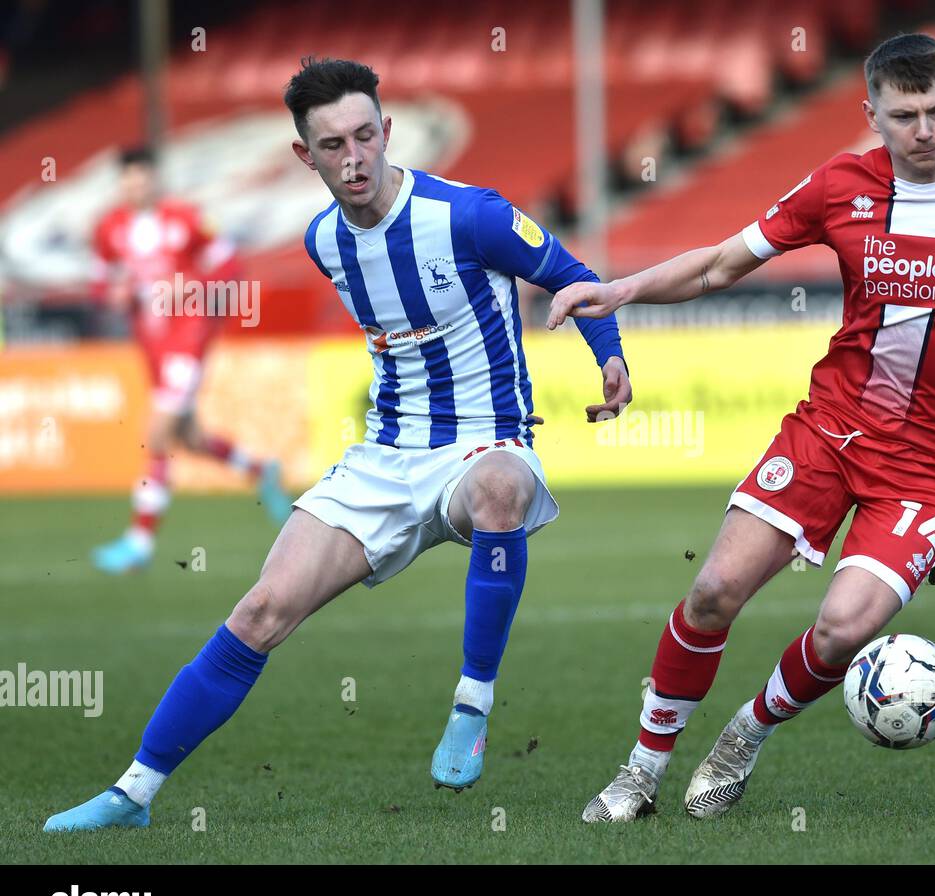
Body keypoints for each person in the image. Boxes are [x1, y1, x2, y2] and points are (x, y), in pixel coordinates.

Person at [44, 56, 631, 831]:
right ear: (304, 155)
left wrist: (611, 355)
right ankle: (133, 793)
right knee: (259, 610)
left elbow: (571, 274)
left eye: (364, 137)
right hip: (383, 457)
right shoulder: (326, 240)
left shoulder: (470, 215)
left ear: (388, 132)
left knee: (500, 490)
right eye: (332, 146)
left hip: (485, 440)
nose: (353, 159)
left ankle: (472, 701)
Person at [549, 33, 935, 822]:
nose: (925, 130)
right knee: (715, 588)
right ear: (872, 114)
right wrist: (621, 290)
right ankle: (640, 771)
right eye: (904, 115)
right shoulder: (838, 185)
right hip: (834, 429)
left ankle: (743, 736)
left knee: (842, 627)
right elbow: (722, 265)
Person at [90, 146, 290, 574]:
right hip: (151, 343)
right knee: (189, 437)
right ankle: (260, 469)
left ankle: (139, 541)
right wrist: (113, 295)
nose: (136, 183)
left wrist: (192, 285)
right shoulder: (109, 229)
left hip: (188, 335)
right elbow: (100, 285)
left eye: (143, 176)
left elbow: (231, 265)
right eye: (128, 177)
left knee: (157, 433)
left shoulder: (185, 218)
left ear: (154, 179)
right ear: (121, 182)